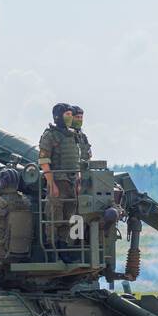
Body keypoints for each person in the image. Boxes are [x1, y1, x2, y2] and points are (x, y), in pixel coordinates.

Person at [38, 102, 89, 247]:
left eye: (71, 115)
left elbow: (79, 160)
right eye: (67, 115)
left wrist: (79, 178)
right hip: (58, 182)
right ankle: (51, 246)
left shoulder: (73, 136)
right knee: (54, 215)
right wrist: (51, 184)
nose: (71, 117)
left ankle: (64, 245)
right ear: (58, 116)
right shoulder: (50, 136)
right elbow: (44, 162)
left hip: (72, 182)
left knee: (70, 215)